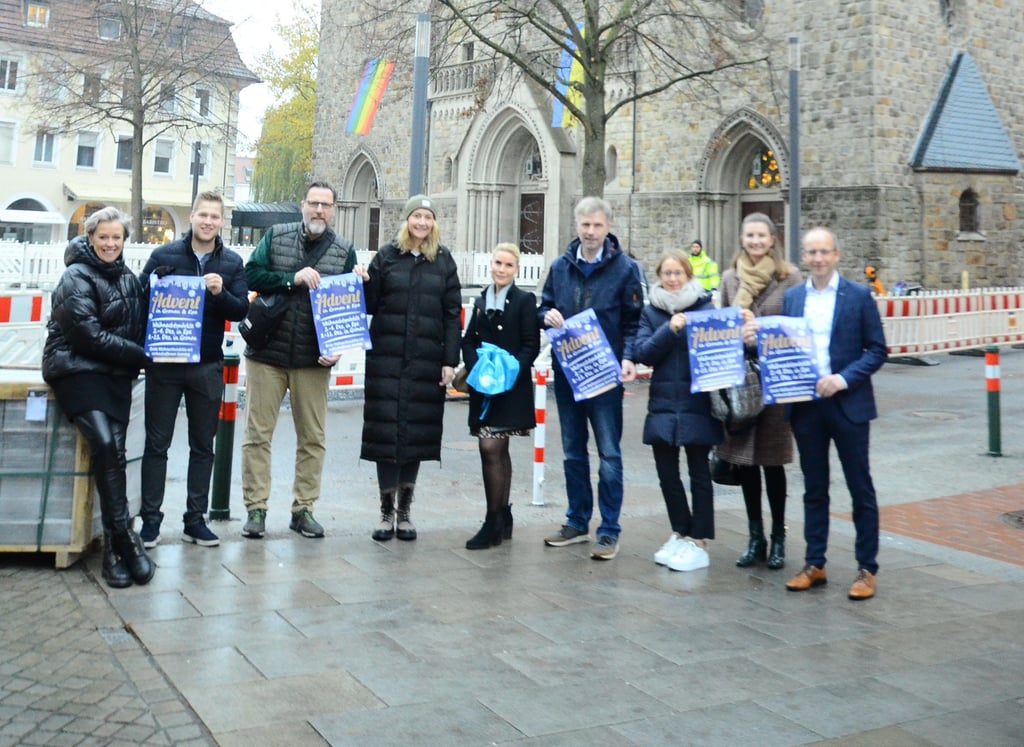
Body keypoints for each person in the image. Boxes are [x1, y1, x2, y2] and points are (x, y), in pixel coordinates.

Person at [41, 207, 154, 589]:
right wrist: (140, 357)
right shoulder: (75, 276)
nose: (110, 244)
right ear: (90, 238)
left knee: (115, 453)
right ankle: (124, 537)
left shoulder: (128, 279)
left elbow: (140, 326)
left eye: (116, 238)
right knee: (105, 444)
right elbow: (86, 335)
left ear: (124, 240)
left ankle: (112, 550)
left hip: (114, 375)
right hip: (76, 371)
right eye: (103, 237)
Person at [240, 181, 356, 539]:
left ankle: (303, 508)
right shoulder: (276, 236)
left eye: (325, 205)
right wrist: (292, 279)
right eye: (313, 203)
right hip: (268, 354)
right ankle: (256, 509)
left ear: (334, 210)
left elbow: (346, 305)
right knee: (258, 435)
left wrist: (336, 348)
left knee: (313, 437)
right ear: (302, 206)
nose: (319, 210)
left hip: (312, 358)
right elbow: (251, 274)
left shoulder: (344, 250)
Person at [780, 227, 887, 600]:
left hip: (848, 404)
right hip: (807, 407)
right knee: (814, 488)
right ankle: (815, 563)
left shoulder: (857, 296)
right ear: (804, 257)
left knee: (861, 488)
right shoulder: (793, 298)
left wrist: (843, 379)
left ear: (837, 255)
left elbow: (876, 349)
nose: (819, 259)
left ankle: (866, 569)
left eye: (825, 252)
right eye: (812, 252)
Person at [138, 191, 249, 549]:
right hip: (165, 364)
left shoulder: (231, 263)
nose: (208, 222)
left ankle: (195, 520)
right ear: (192, 217)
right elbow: (141, 300)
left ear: (221, 222)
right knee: (157, 445)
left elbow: (240, 312)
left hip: (206, 366)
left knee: (203, 446)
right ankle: (151, 521)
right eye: (203, 215)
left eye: (214, 217)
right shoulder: (163, 255)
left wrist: (219, 293)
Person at [538, 196, 645, 560]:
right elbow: (544, 305)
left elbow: (635, 319)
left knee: (609, 453)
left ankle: (609, 529)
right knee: (572, 451)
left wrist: (629, 356)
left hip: (605, 375)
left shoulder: (625, 269)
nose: (591, 232)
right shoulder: (560, 266)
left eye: (598, 225)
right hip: (568, 373)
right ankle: (577, 520)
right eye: (585, 225)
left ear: (608, 227)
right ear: (576, 225)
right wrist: (546, 315)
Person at [357, 195, 462, 542]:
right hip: (387, 358)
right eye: (416, 216)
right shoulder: (387, 256)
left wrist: (449, 360)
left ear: (433, 223)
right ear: (406, 220)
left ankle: (405, 514)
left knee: (415, 435)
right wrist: (364, 282)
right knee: (386, 434)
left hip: (426, 360)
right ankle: (386, 514)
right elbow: (369, 305)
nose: (421, 222)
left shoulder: (444, 261)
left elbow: (451, 313)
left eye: (427, 217)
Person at [718, 212, 802, 570]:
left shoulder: (790, 277)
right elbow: (718, 328)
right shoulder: (729, 278)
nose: (755, 241)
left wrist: (762, 331)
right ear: (742, 238)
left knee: (772, 463)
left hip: (775, 382)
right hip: (740, 383)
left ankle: (779, 538)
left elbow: (798, 329)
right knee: (745, 464)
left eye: (761, 236)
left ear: (772, 239)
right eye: (749, 235)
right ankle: (755, 538)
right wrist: (736, 333)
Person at [634, 250, 722, 572]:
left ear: (688, 275)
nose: (672, 279)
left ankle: (700, 539)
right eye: (667, 273)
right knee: (667, 475)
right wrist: (669, 330)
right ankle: (681, 530)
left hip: (697, 401)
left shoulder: (705, 308)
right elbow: (643, 353)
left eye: (678, 273)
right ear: (660, 276)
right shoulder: (651, 312)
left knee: (699, 474)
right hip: (663, 404)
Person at [460, 243, 540, 549]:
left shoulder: (524, 300)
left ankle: (492, 521)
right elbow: (469, 340)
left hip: (510, 388)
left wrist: (511, 369)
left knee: (491, 448)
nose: (501, 269)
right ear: (491, 264)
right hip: (485, 386)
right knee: (496, 450)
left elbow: (530, 344)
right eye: (497, 263)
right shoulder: (481, 300)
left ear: (516, 269)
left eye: (508, 265)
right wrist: (476, 364)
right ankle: (503, 515)